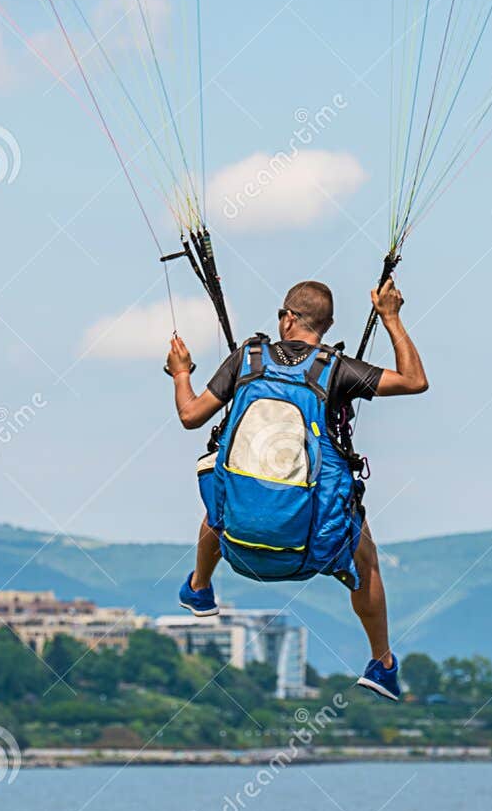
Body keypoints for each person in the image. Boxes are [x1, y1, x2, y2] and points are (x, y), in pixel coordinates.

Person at [164, 278, 428, 700]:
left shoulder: (246, 359)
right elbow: (415, 380)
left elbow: (190, 415)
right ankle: (382, 662)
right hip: (313, 540)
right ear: (327, 324)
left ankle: (199, 586)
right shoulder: (337, 370)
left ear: (287, 318)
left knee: (222, 484)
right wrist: (391, 318)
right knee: (367, 561)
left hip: (239, 536)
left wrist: (181, 373)